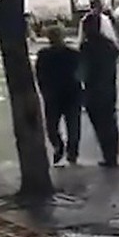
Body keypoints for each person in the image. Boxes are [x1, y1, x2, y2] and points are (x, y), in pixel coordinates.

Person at [79, 0, 119, 167]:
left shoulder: (86, 48)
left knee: (100, 125)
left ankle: (107, 154)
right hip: (109, 89)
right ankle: (113, 154)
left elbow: (81, 73)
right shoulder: (109, 47)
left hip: (93, 92)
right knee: (110, 121)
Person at [34, 25, 81, 165]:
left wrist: (44, 91)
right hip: (71, 93)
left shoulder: (43, 55)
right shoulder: (73, 54)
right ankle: (72, 152)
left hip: (53, 95)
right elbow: (81, 73)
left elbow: (39, 75)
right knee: (73, 125)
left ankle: (59, 146)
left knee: (52, 126)